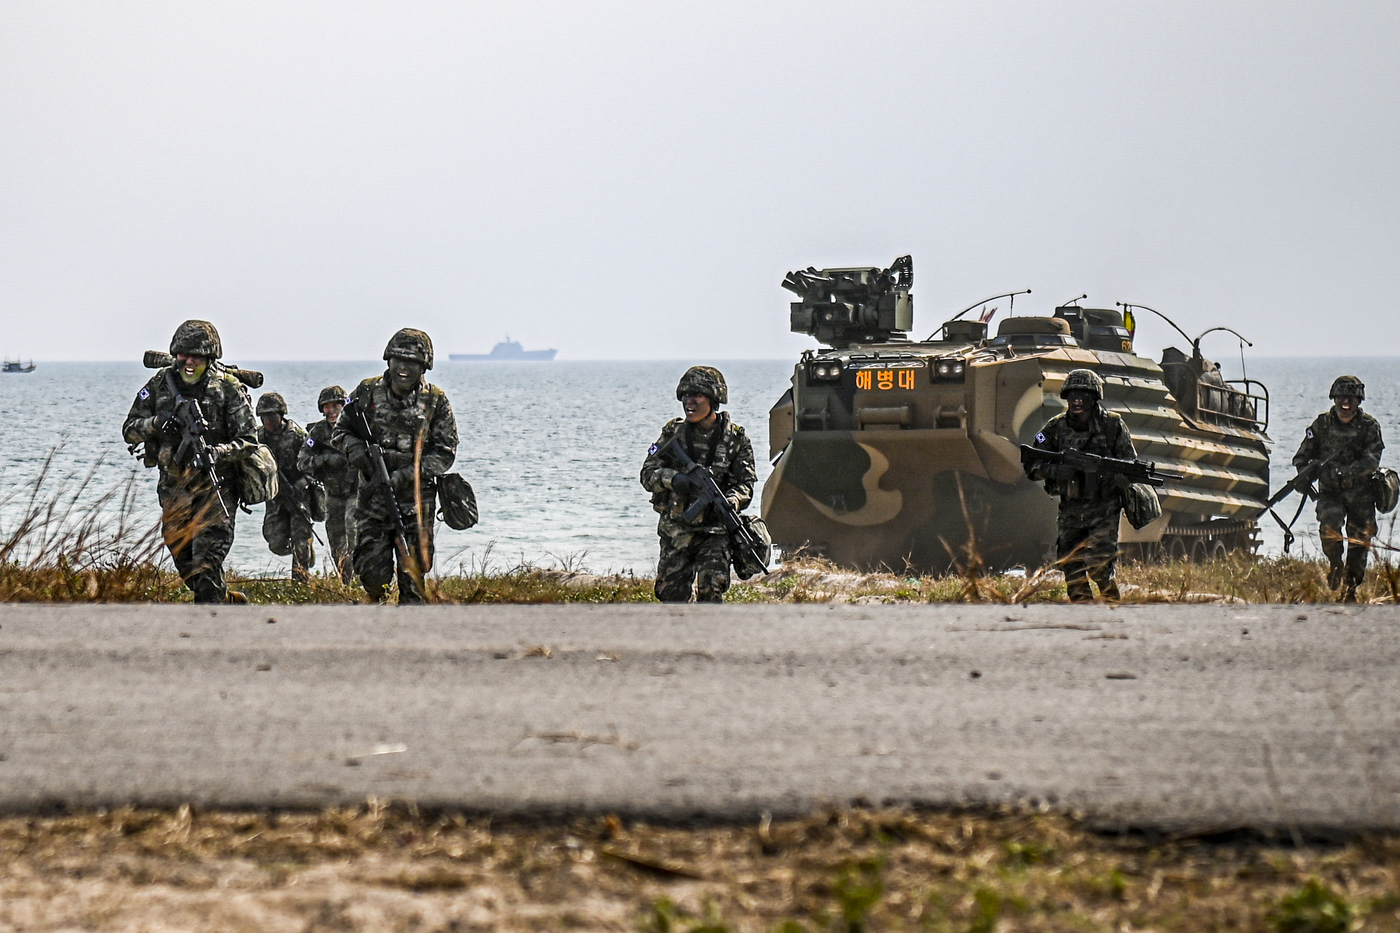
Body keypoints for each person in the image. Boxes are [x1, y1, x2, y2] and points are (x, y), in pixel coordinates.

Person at [122, 320, 257, 604]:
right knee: (184, 560)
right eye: (184, 355)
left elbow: (249, 440)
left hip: (216, 488)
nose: (189, 361)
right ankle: (226, 601)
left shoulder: (227, 388)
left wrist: (219, 452)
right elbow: (130, 428)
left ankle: (209, 632)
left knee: (206, 565)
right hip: (174, 490)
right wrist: (156, 423)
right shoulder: (159, 384)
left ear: (210, 357)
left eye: (196, 356)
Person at [332, 328, 458, 604]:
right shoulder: (367, 392)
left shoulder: (436, 400)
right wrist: (357, 451)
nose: (403, 368)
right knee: (372, 576)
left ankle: (411, 639)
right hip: (374, 499)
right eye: (398, 360)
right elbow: (340, 432)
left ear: (423, 366)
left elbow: (445, 452)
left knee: (413, 579)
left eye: (411, 362)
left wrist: (405, 475)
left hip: (415, 500)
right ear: (388, 360)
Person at [640, 366, 756, 603]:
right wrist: (673, 480)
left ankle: (709, 636)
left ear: (714, 399)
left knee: (711, 591)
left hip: (714, 533)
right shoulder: (673, 433)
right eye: (685, 396)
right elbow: (647, 472)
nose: (689, 402)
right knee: (671, 595)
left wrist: (731, 501)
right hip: (677, 530)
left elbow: (746, 484)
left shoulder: (735, 439)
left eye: (697, 396)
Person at [1024, 368, 1136, 603]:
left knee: (1099, 567)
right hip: (1071, 509)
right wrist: (1057, 471)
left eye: (1083, 396)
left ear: (1094, 397)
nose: (1077, 401)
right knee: (1071, 567)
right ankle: (1083, 613)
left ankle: (1113, 606)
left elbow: (1129, 463)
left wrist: (1117, 477)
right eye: (1072, 395)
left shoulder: (1112, 426)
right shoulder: (1055, 428)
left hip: (1104, 508)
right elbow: (1031, 463)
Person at [1292, 375, 1384, 602]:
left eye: (1351, 398)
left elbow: (1372, 460)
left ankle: (1350, 589)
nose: (1346, 402)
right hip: (1331, 493)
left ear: (1359, 400)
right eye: (1341, 397)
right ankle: (1335, 564)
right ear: (1334, 398)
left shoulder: (1369, 426)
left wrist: (1345, 471)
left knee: (1360, 542)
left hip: (1361, 494)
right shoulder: (1321, 425)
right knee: (1330, 527)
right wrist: (1305, 473)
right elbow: (1301, 457)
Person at [299, 385, 357, 583]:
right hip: (332, 494)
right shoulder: (318, 432)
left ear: (344, 406)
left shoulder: (355, 427)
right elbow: (302, 461)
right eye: (326, 407)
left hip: (356, 492)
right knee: (336, 541)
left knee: (353, 530)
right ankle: (347, 583)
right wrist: (324, 459)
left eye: (336, 406)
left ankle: (362, 580)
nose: (331, 411)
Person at [256, 391, 315, 583]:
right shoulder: (258, 437)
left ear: (281, 414)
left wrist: (300, 484)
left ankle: (300, 582)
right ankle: (304, 550)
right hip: (275, 497)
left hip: (299, 496)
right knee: (276, 542)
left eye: (272, 415)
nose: (268, 420)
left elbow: (312, 466)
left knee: (300, 542)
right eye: (264, 416)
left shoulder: (297, 436)